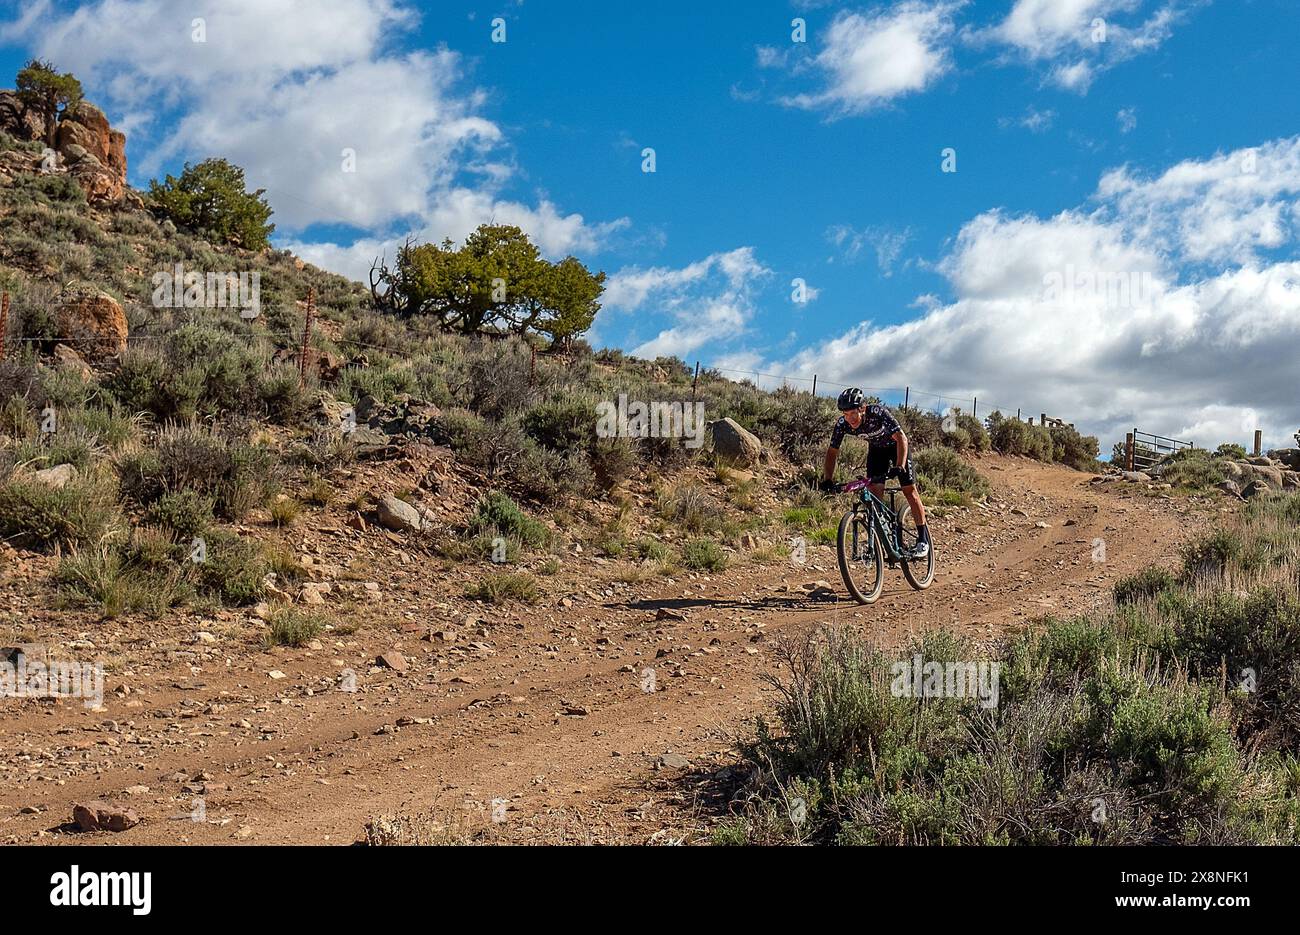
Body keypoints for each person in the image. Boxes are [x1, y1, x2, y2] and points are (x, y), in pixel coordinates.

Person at [819, 387, 930, 560]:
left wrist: (899, 466)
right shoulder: (842, 424)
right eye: (845, 414)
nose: (850, 419)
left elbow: (901, 438)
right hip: (877, 451)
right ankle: (884, 535)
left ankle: (923, 540)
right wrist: (827, 479)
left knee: (909, 490)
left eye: (853, 413)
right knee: (875, 491)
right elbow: (832, 451)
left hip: (897, 448)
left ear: (862, 408)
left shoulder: (878, 412)